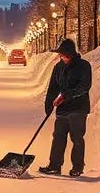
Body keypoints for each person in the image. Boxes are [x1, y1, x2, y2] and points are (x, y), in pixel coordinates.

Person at [39, 38, 92, 177]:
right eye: (60, 55)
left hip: (79, 108)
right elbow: (53, 88)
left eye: (64, 55)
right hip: (63, 109)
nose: (62, 57)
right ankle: (54, 166)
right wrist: (48, 105)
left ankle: (77, 167)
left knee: (77, 138)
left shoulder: (84, 66)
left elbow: (85, 86)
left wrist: (66, 95)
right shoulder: (58, 67)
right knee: (58, 137)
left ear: (71, 54)